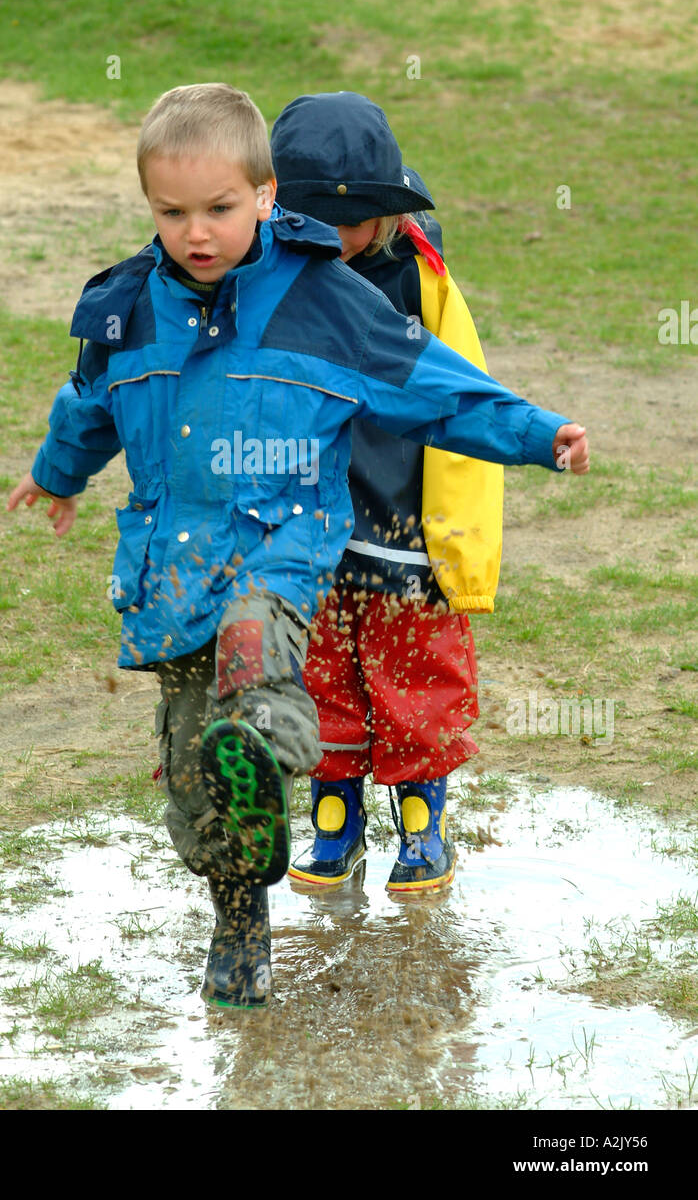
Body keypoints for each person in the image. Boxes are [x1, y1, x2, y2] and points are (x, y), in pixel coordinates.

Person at [6, 82, 589, 1010]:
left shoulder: (323, 300)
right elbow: (87, 408)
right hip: (170, 573)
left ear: (269, 197)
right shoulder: (127, 309)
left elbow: (433, 384)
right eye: (173, 211)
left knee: (259, 662)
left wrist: (537, 432)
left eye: (221, 209)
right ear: (149, 204)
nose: (197, 231)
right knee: (197, 776)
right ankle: (239, 922)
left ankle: (269, 748)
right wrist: (57, 473)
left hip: (279, 555)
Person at [271, 90, 500, 895]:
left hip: (405, 528)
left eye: (351, 220)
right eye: (309, 219)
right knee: (320, 673)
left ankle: (421, 822)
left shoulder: (420, 283)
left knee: (415, 679)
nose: (331, 239)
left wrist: (461, 547)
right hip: (310, 527)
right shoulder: (266, 276)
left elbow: (467, 401)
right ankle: (334, 820)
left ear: (384, 214)